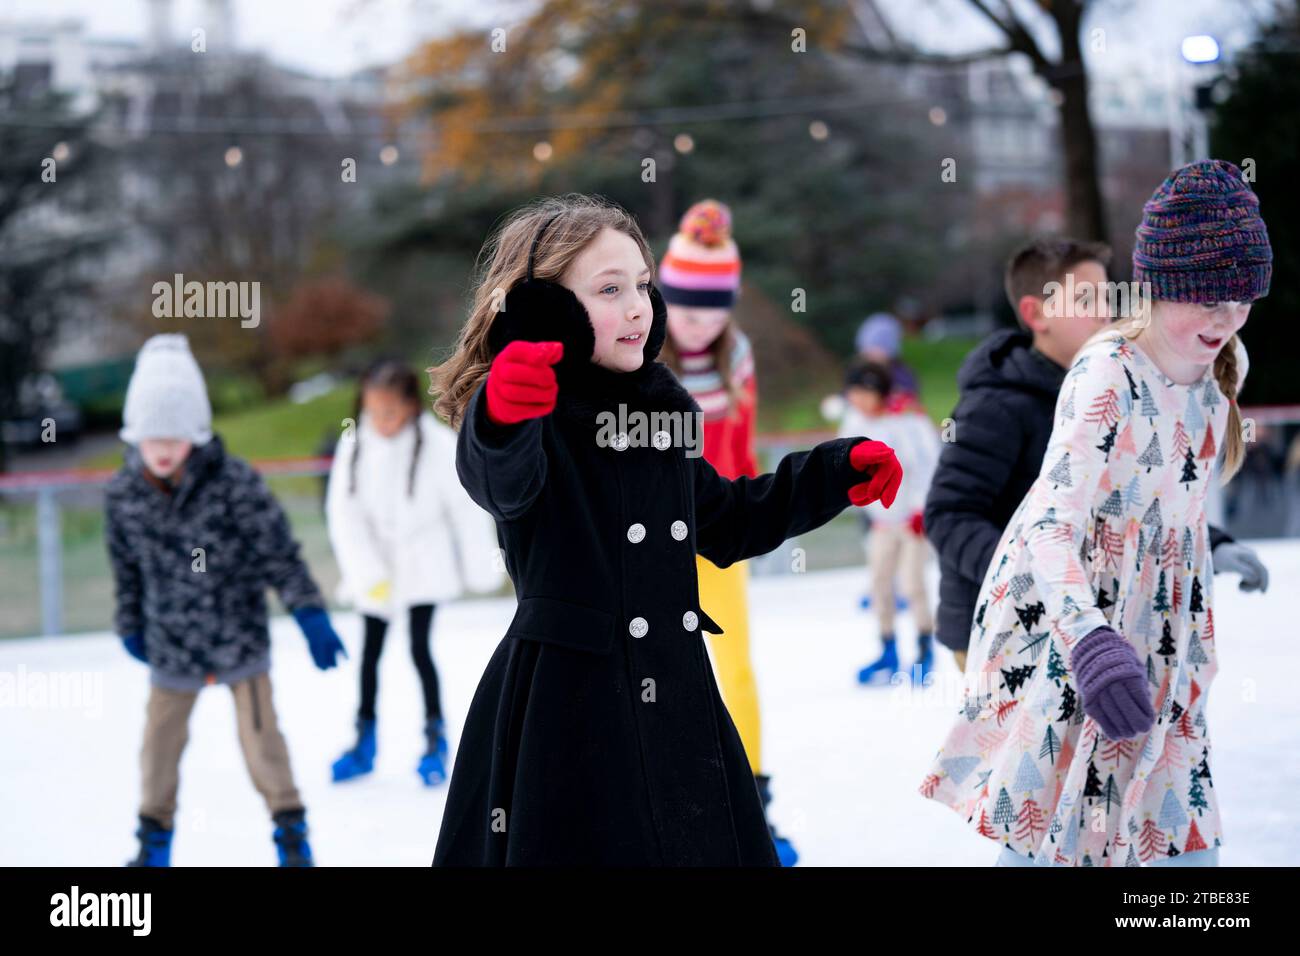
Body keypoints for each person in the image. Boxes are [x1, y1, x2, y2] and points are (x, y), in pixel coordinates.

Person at [428, 193, 903, 865]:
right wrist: (503, 414)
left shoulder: (661, 408)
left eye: (643, 287)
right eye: (609, 289)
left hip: (673, 695)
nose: (636, 308)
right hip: (567, 708)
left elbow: (727, 521)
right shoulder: (533, 407)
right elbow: (500, 482)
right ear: (548, 311)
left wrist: (827, 475)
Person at [920, 159, 1272, 866]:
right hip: (1078, 650)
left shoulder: (1217, 372)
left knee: (1175, 848)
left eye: (1241, 299)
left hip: (1163, 659)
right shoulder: (1108, 370)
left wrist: (1210, 548)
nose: (1225, 317)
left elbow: (1161, 510)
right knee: (1058, 842)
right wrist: (1092, 646)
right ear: (1160, 285)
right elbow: (1048, 524)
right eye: (1208, 297)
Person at [924, 237, 1265, 674]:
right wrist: (1041, 577)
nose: (1105, 312)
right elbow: (948, 514)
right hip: (1004, 628)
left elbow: (1138, 496)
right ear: (1035, 314)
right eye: (1086, 299)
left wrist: (1214, 545)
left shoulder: (1115, 387)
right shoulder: (995, 406)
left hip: (1089, 619)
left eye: (1108, 296)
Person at [105, 334, 346, 867]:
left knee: (263, 743)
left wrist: (309, 612)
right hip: (171, 643)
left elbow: (278, 553)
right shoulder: (123, 494)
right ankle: (152, 845)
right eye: (151, 437)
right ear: (135, 435)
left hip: (239, 638)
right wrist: (129, 624)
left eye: (176, 434)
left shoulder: (234, 482)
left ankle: (291, 835)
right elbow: (126, 570)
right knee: (158, 750)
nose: (164, 448)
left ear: (196, 430)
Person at [656, 198, 797, 864]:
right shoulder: (639, 353)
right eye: (687, 306)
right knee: (650, 669)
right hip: (646, 539)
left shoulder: (736, 354)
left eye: (713, 307)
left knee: (732, 665)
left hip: (713, 535)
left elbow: (739, 453)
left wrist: (749, 524)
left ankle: (754, 805)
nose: (699, 321)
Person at [325, 358, 502, 787]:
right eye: (372, 412)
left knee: (420, 651)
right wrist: (368, 573)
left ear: (408, 407)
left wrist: (480, 565)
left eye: (388, 413)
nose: (380, 421)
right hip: (376, 573)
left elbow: (464, 509)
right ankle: (364, 739)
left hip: (424, 566)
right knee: (369, 656)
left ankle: (434, 738)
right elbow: (343, 515)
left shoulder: (437, 446)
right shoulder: (355, 444)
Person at [836, 360, 941, 684]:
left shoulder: (908, 419)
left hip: (913, 521)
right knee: (880, 584)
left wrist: (919, 509)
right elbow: (842, 460)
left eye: (862, 394)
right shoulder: (854, 421)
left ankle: (925, 650)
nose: (857, 402)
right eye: (852, 395)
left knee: (911, 584)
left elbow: (927, 464)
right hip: (881, 520)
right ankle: (888, 649)